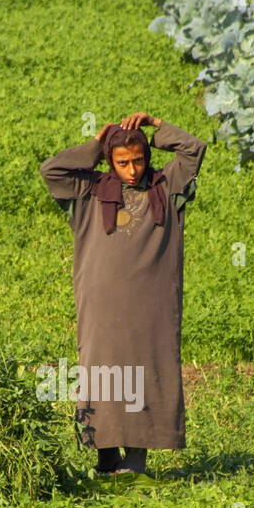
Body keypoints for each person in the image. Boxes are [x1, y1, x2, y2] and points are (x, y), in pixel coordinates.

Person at [39, 111, 207, 476]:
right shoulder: (90, 191)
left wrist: (158, 125)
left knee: (145, 373)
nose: (132, 170)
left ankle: (135, 462)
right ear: (110, 162)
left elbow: (194, 150)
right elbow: (52, 170)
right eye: (122, 162)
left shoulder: (167, 187)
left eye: (139, 160)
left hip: (152, 307)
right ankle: (106, 459)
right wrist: (95, 148)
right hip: (101, 306)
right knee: (104, 375)